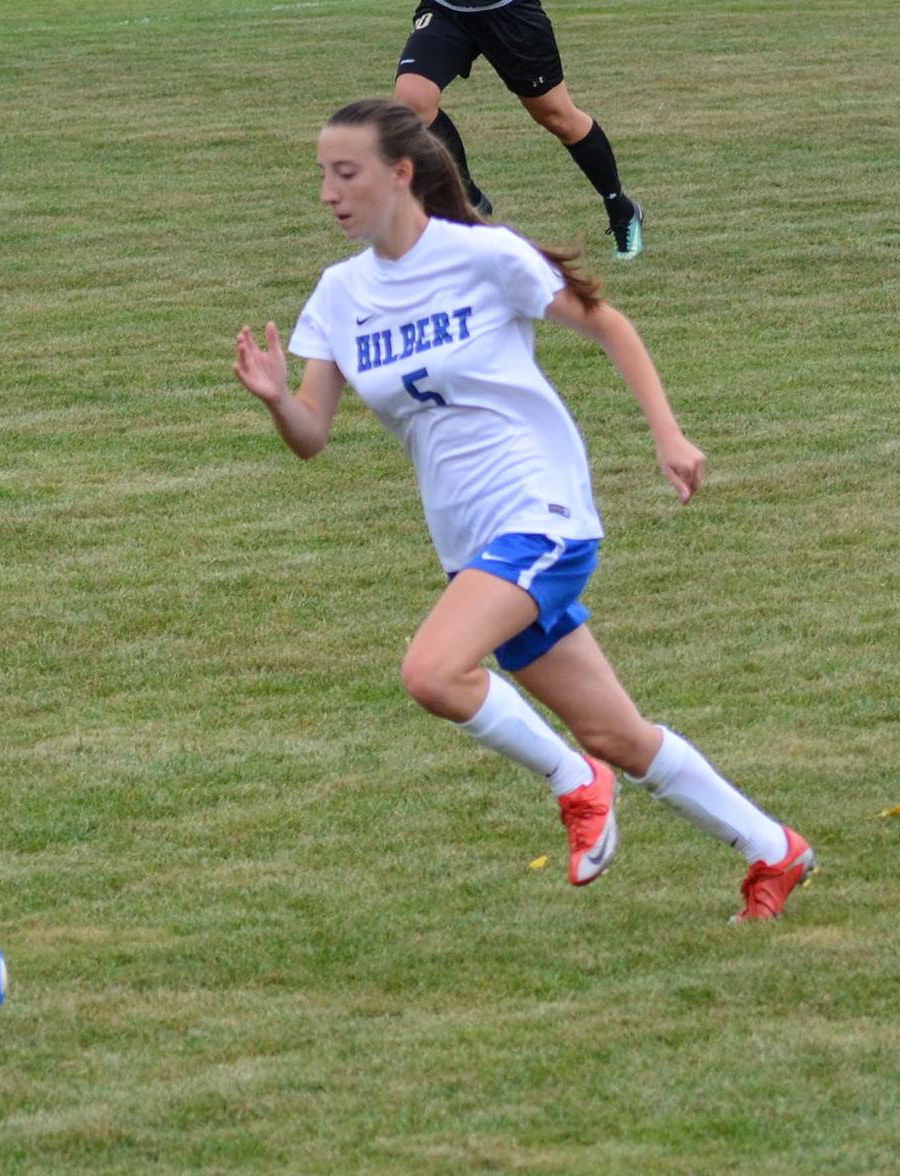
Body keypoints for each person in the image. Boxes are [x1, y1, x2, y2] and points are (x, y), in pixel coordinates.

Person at [232, 98, 811, 921]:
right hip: (472, 544)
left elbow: (610, 325)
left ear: (401, 174)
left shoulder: (484, 257)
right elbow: (312, 436)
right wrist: (275, 400)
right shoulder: (338, 295)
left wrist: (668, 436)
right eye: (322, 174)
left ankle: (577, 784)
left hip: (541, 512)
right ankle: (772, 850)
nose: (328, 191)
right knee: (618, 732)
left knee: (433, 673)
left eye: (346, 172)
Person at [393, 0, 644, 260]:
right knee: (412, 102)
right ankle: (469, 201)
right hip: (445, 10)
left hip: (510, 12)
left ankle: (621, 209)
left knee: (557, 116)